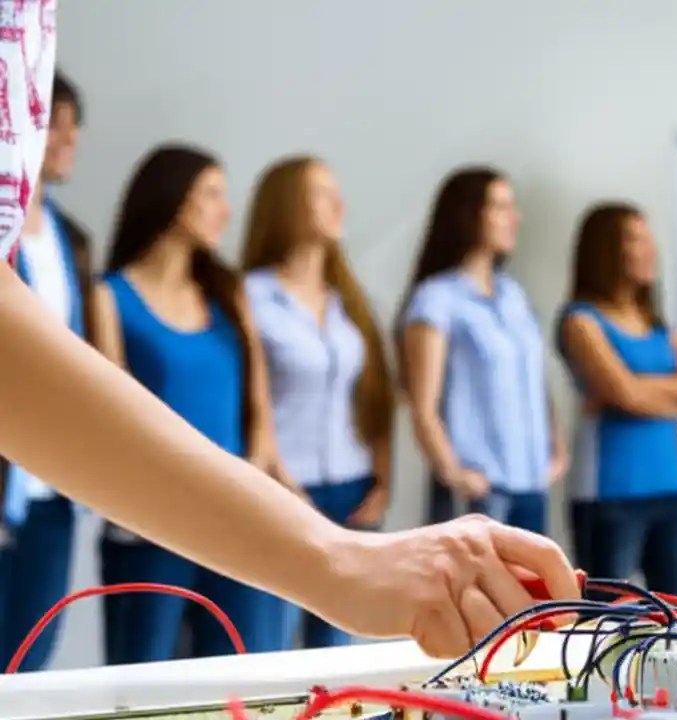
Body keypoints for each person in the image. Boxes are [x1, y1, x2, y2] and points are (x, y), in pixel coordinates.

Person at [0, 2, 576, 667]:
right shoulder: (178, 293)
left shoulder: (256, 298)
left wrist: (340, 546)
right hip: (209, 506)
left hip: (260, 498)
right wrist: (336, 556)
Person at [91, 144, 298, 662]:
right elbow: (111, 418)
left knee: (249, 672)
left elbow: (259, 407)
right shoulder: (110, 297)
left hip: (238, 517)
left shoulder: (229, 294)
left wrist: (259, 481)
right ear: (174, 199)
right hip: (152, 523)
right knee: (143, 685)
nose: (225, 211)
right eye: (212, 194)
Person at [241, 155, 394, 649]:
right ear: (288, 205)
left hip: (351, 493)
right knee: (271, 647)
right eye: (322, 193)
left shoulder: (348, 299)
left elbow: (376, 394)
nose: (339, 204)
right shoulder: (251, 296)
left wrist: (383, 478)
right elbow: (249, 400)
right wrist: (280, 480)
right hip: (285, 490)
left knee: (337, 652)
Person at [556, 202, 677, 597]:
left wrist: (643, 392)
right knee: (605, 621)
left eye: (648, 237)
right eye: (635, 238)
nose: (649, 249)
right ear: (607, 250)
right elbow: (627, 394)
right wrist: (660, 393)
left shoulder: (655, 324)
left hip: (668, 487)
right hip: (610, 494)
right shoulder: (582, 320)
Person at [399, 167, 567, 534]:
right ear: (469, 215)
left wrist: (556, 450)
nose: (515, 217)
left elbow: (535, 379)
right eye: (501, 207)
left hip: (531, 484)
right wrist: (453, 472)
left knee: (539, 592)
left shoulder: (513, 295)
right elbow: (423, 406)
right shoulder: (436, 299)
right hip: (481, 490)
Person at [0, 70, 94, 672]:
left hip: (53, 486)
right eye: (52, 121)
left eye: (72, 124)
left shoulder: (73, 240)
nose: (68, 137)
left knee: (32, 659)